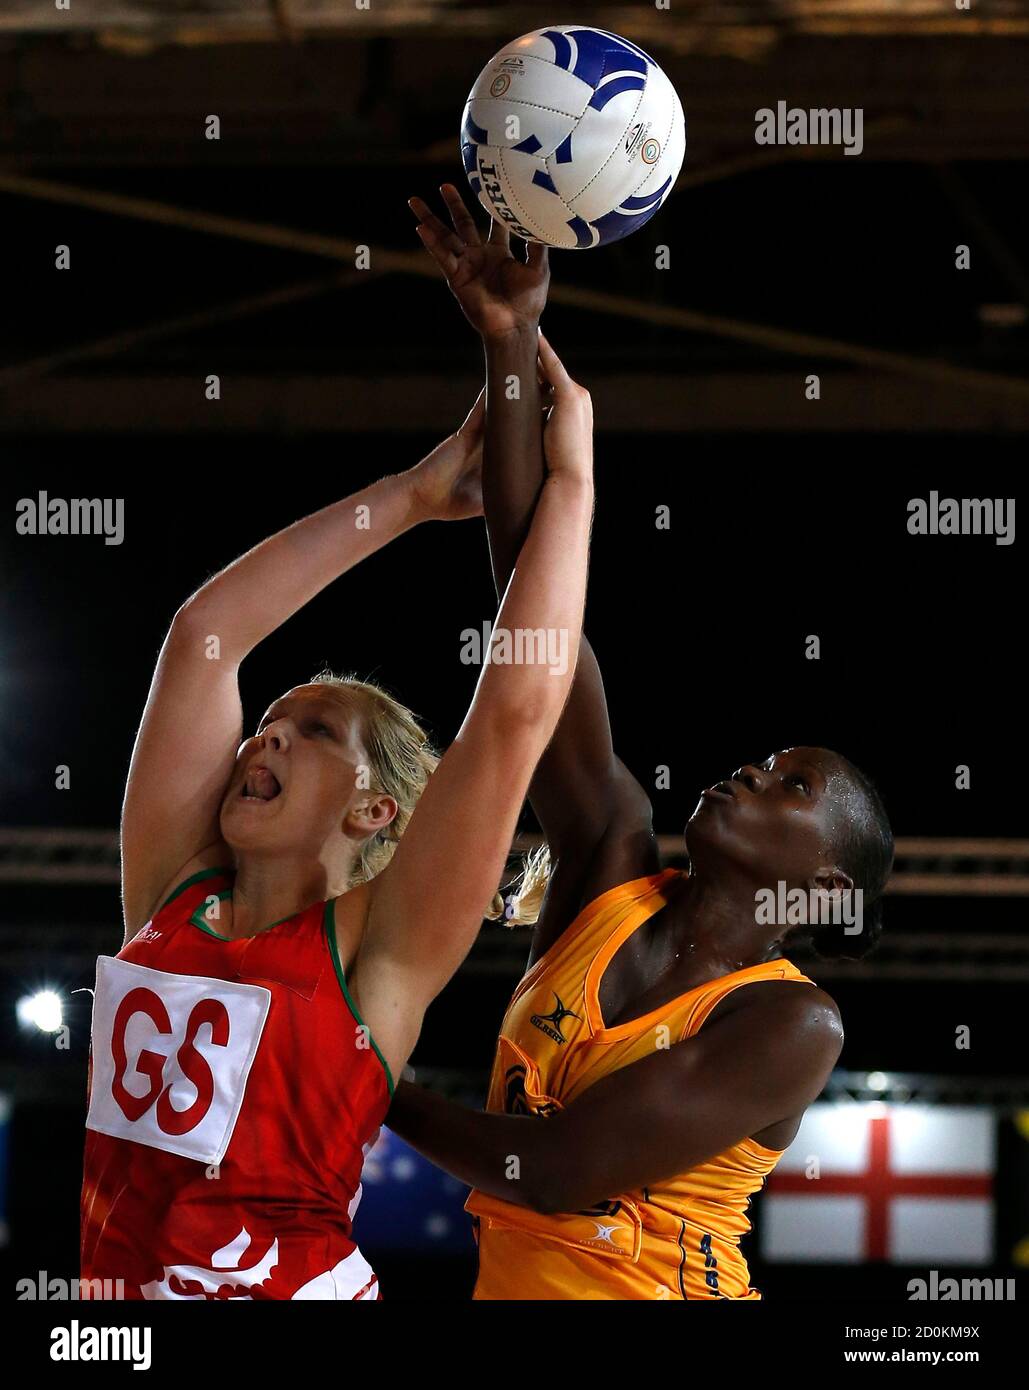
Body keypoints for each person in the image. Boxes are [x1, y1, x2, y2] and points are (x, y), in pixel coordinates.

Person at [386, 185, 894, 1300]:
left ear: (821, 879)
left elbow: (559, 1172)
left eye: (792, 781)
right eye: (770, 757)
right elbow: (540, 629)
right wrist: (511, 347)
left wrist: (363, 1078)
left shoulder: (792, 1018)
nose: (754, 769)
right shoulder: (611, 853)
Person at [79, 223, 595, 1299]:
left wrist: (575, 489)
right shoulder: (172, 892)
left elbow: (510, 718)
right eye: (267, 720)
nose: (261, 734)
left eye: (310, 730)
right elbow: (203, 638)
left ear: (374, 811)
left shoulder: (378, 954)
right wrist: (405, 498)